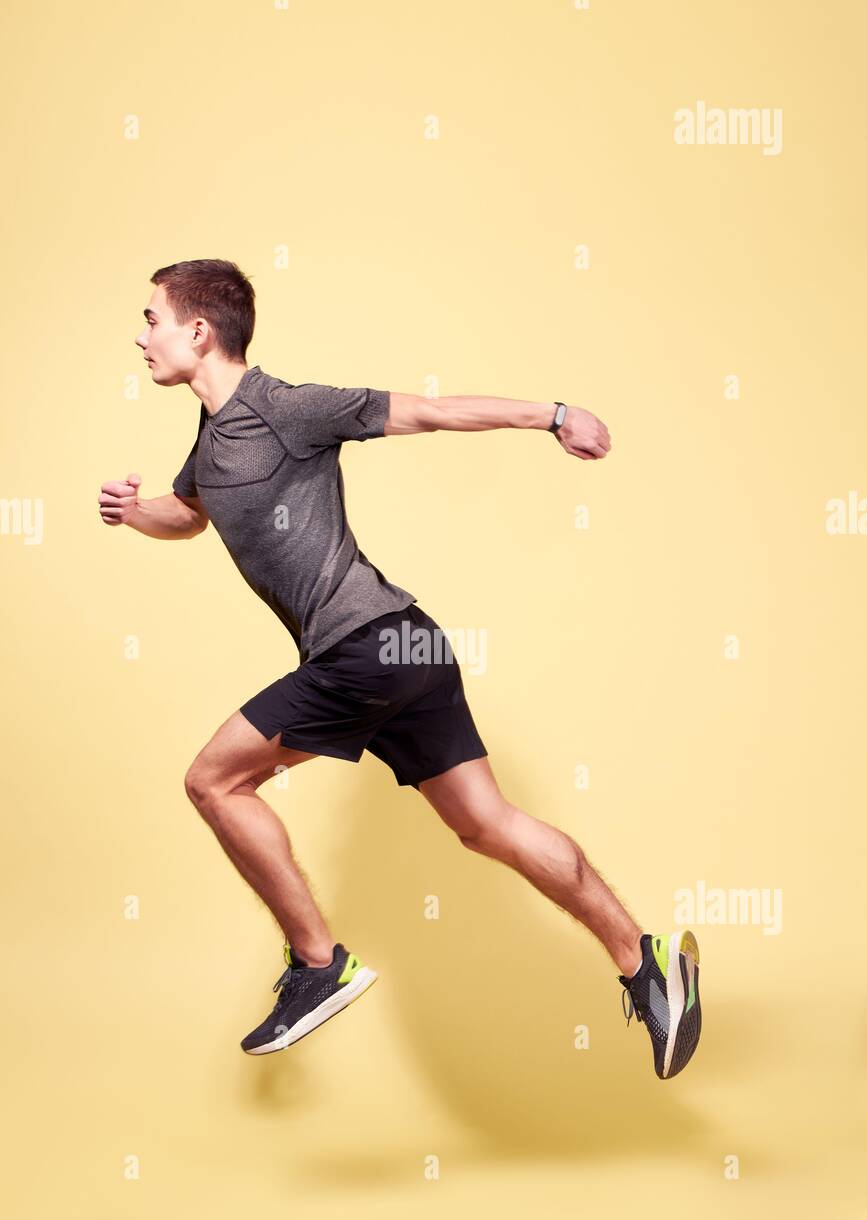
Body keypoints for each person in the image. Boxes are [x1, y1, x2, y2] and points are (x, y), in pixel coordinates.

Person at [99, 258, 701, 1079]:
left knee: (214, 781)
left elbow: (429, 410)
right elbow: (190, 514)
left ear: (197, 331)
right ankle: (643, 958)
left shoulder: (287, 408)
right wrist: (137, 514)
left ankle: (319, 965)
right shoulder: (211, 437)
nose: (141, 337)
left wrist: (554, 414)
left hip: (368, 646)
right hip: (407, 647)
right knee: (485, 825)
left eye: (151, 319)